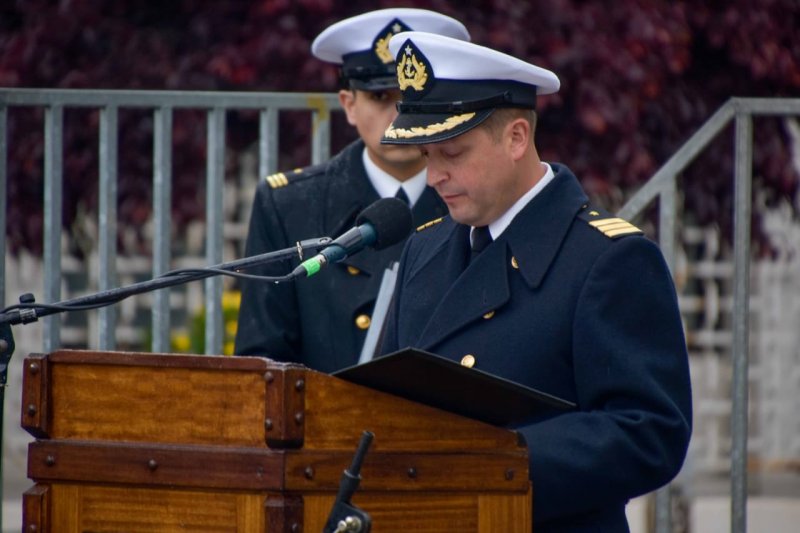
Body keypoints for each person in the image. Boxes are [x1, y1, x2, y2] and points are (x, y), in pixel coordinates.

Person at [378, 32, 692, 531]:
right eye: (425, 156)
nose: (433, 176)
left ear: (516, 137)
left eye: (452, 154)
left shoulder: (609, 258)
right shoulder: (426, 247)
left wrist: (498, 463)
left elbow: (650, 431)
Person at [234, 10, 470, 372]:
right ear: (348, 105)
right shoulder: (288, 204)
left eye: (411, 98)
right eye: (380, 98)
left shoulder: (475, 199)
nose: (398, 114)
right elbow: (263, 362)